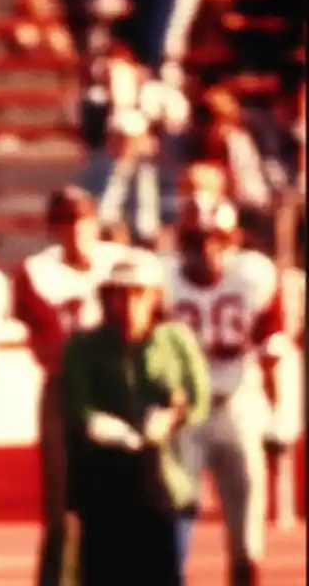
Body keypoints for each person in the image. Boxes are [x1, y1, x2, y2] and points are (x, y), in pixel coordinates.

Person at [161, 193, 297, 586]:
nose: (206, 250)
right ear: (181, 241)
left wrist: (277, 414)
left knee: (247, 520)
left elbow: (272, 347)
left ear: (232, 239)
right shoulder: (162, 279)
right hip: (184, 410)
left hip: (236, 402)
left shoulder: (253, 275)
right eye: (196, 240)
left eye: (215, 239)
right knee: (177, 508)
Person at [61, 250, 211, 586]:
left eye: (139, 294)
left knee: (165, 571)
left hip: (164, 475)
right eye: (120, 294)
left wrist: (172, 416)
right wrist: (101, 425)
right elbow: (76, 402)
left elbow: (198, 396)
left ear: (155, 296)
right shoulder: (85, 346)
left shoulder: (176, 341)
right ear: (107, 297)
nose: (129, 304)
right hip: (104, 477)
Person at [11, 186, 131, 586]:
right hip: (65, 390)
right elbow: (48, 350)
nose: (74, 229)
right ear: (52, 228)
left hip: (118, 391)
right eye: (64, 221)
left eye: (81, 219)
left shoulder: (121, 263)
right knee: (62, 507)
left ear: (95, 222)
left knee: (125, 501)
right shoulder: (36, 272)